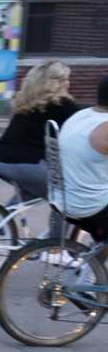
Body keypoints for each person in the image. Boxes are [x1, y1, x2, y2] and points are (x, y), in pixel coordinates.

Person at [0, 61, 80, 203]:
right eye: (66, 80)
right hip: (24, 163)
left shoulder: (28, 103)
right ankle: (56, 227)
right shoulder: (63, 104)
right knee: (63, 197)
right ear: (55, 83)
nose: (68, 84)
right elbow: (84, 129)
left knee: (30, 193)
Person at [55, 73, 108, 244]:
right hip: (90, 207)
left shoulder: (81, 115)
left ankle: (94, 267)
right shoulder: (105, 127)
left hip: (62, 200)